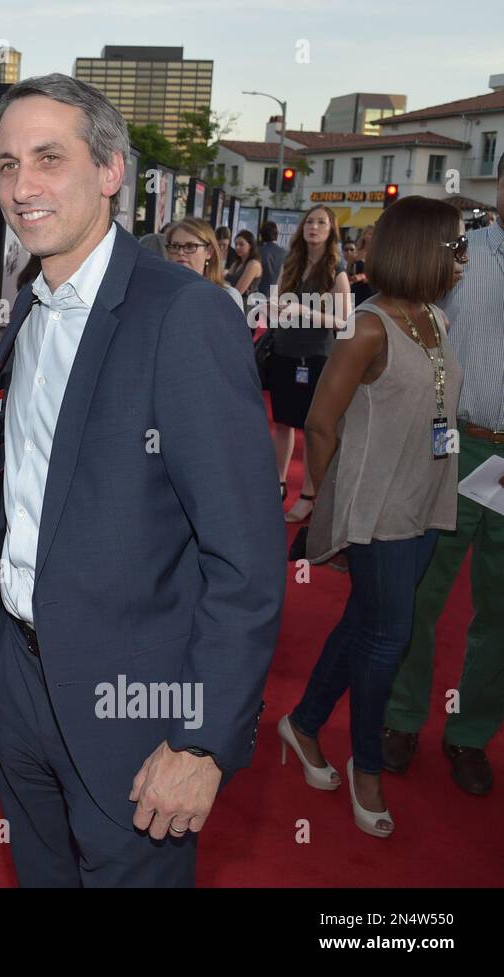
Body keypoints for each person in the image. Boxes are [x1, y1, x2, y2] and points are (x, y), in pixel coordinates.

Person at [0, 74, 284, 888]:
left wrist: (202, 738)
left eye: (49, 159)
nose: (22, 187)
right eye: (9, 164)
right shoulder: (29, 303)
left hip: (136, 708)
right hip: (19, 683)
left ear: (111, 171)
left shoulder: (183, 314)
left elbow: (248, 559)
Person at [283, 196, 465, 838]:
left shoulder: (436, 320)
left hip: (425, 500)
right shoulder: (368, 327)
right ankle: (367, 768)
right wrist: (334, 505)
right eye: (453, 248)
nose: (462, 259)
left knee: (367, 623)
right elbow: (320, 424)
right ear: (420, 251)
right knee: (389, 638)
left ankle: (302, 725)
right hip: (379, 511)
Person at [384, 157, 504, 797]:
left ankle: (470, 734)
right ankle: (401, 720)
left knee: (501, 613)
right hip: (457, 443)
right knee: (421, 593)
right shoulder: (461, 252)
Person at [266, 205, 352, 519]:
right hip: (285, 350)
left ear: (331, 231)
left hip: (317, 356)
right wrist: (274, 307)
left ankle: (310, 494)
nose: (313, 227)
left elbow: (345, 321)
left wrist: (304, 312)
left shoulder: (336, 268)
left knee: (315, 427)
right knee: (283, 422)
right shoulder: (292, 262)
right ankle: (278, 482)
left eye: (321, 222)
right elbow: (279, 298)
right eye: (309, 222)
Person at [166, 217, 242, 308]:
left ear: (209, 252)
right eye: (175, 246)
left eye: (190, 246)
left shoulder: (227, 296)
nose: (180, 252)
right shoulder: (159, 292)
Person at [225, 229, 262, 298]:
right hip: (234, 300)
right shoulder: (236, 263)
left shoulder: (253, 264)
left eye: (241, 244)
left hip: (246, 304)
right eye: (236, 244)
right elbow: (226, 281)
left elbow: (239, 291)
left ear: (250, 246)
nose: (237, 247)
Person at [257, 221, 287, 296]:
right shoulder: (284, 252)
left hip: (259, 292)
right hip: (278, 293)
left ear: (262, 234)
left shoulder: (258, 251)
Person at [349, 224, 375, 306]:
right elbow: (348, 272)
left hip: (372, 290)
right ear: (364, 236)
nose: (373, 236)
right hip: (357, 289)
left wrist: (363, 276)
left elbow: (380, 273)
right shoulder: (356, 254)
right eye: (370, 234)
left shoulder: (379, 254)